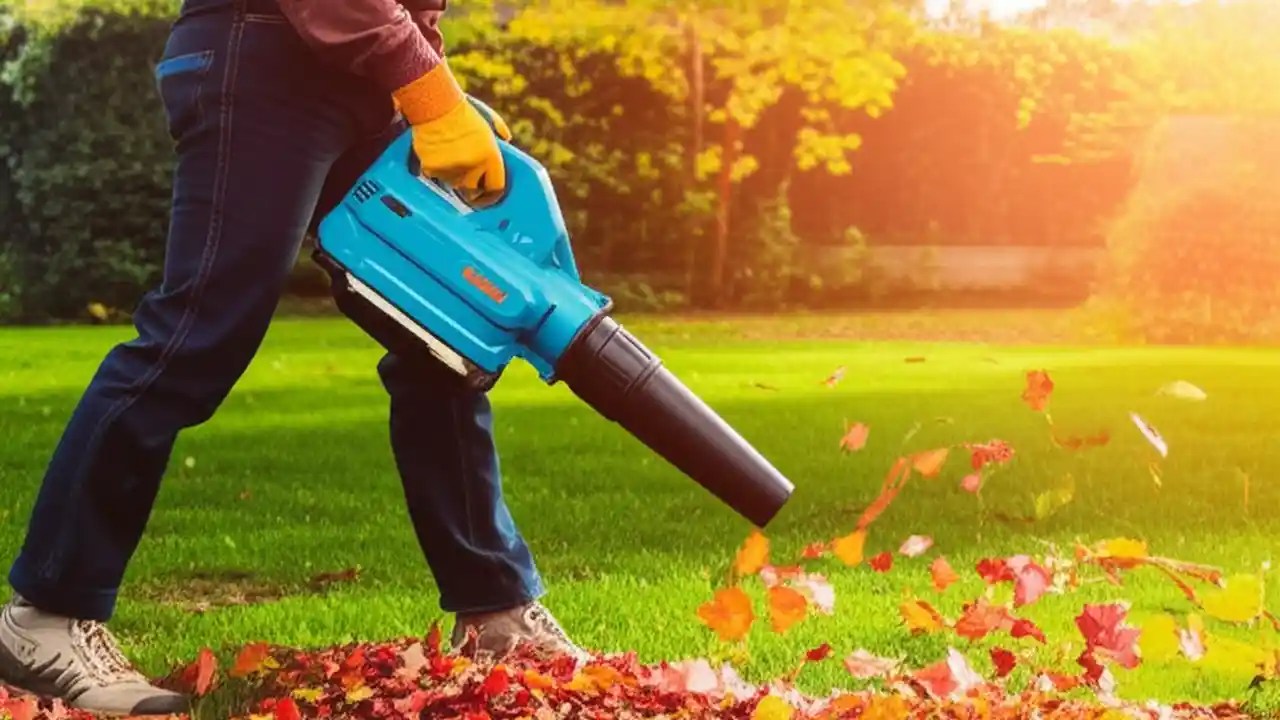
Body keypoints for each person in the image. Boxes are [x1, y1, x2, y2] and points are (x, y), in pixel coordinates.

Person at [0, 0, 585, 715]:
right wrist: (427, 85)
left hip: (358, 76)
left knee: (444, 338)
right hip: (264, 54)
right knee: (197, 335)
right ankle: (46, 617)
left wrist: (436, 88)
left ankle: (495, 611)